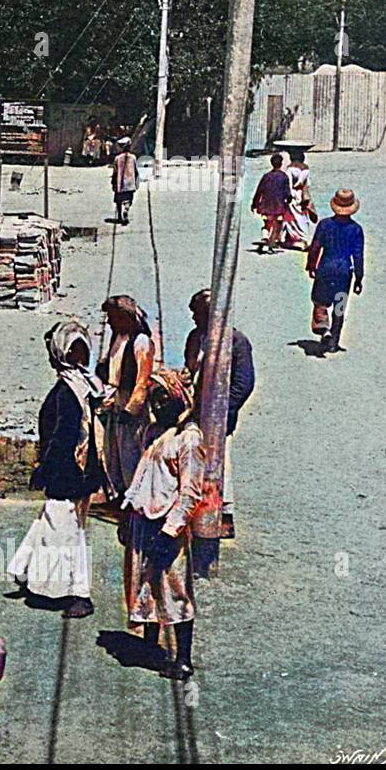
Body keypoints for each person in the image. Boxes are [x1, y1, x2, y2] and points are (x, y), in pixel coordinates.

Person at [9, 321, 104, 618]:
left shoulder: (67, 391)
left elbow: (63, 435)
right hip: (80, 471)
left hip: (68, 473)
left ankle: (77, 593)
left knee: (63, 531)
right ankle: (26, 572)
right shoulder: (86, 385)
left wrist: (44, 468)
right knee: (54, 524)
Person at [119, 370, 203, 681]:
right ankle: (149, 646)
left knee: (174, 588)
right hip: (143, 520)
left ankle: (182, 657)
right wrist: (128, 513)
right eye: (154, 398)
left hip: (167, 526)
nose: (158, 404)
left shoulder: (189, 439)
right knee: (144, 585)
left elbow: (191, 492)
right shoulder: (154, 433)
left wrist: (171, 531)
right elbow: (140, 477)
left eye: (163, 398)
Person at [183, 289, 254, 550]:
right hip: (195, 411)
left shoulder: (236, 342)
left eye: (197, 314)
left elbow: (243, 385)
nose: (193, 319)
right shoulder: (195, 338)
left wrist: (220, 412)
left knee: (221, 464)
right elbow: (190, 368)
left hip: (219, 416)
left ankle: (224, 516)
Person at [98, 295, 156, 501]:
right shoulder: (117, 337)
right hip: (114, 402)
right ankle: (120, 493)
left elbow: (142, 380)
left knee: (131, 454)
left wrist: (131, 410)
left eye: (113, 317)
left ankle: (135, 498)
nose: (109, 322)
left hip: (131, 406)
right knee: (113, 454)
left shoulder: (141, 342)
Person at [307, 188, 364, 352]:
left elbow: (315, 247)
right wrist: (359, 278)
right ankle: (334, 341)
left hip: (326, 267)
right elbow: (358, 255)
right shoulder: (356, 229)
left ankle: (323, 329)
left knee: (320, 301)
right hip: (344, 271)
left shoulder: (325, 225)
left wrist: (311, 265)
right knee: (340, 306)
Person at [250, 152, 292, 252]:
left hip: (266, 205)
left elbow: (259, 191)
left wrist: (254, 204)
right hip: (279, 205)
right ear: (281, 163)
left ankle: (265, 236)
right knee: (277, 225)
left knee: (267, 223)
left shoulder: (266, 176)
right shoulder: (284, 177)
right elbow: (287, 192)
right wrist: (289, 201)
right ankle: (271, 244)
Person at [281, 148, 316, 248]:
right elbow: (307, 183)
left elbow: (289, 184)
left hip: (293, 194)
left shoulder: (290, 169)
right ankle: (304, 237)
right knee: (303, 216)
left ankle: (299, 238)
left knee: (292, 217)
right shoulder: (305, 168)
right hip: (302, 194)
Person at [110, 136, 138, 225]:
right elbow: (136, 170)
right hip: (130, 183)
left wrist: (113, 181)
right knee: (128, 199)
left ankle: (119, 217)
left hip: (120, 183)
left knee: (118, 200)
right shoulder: (133, 157)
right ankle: (126, 209)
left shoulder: (117, 158)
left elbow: (115, 170)